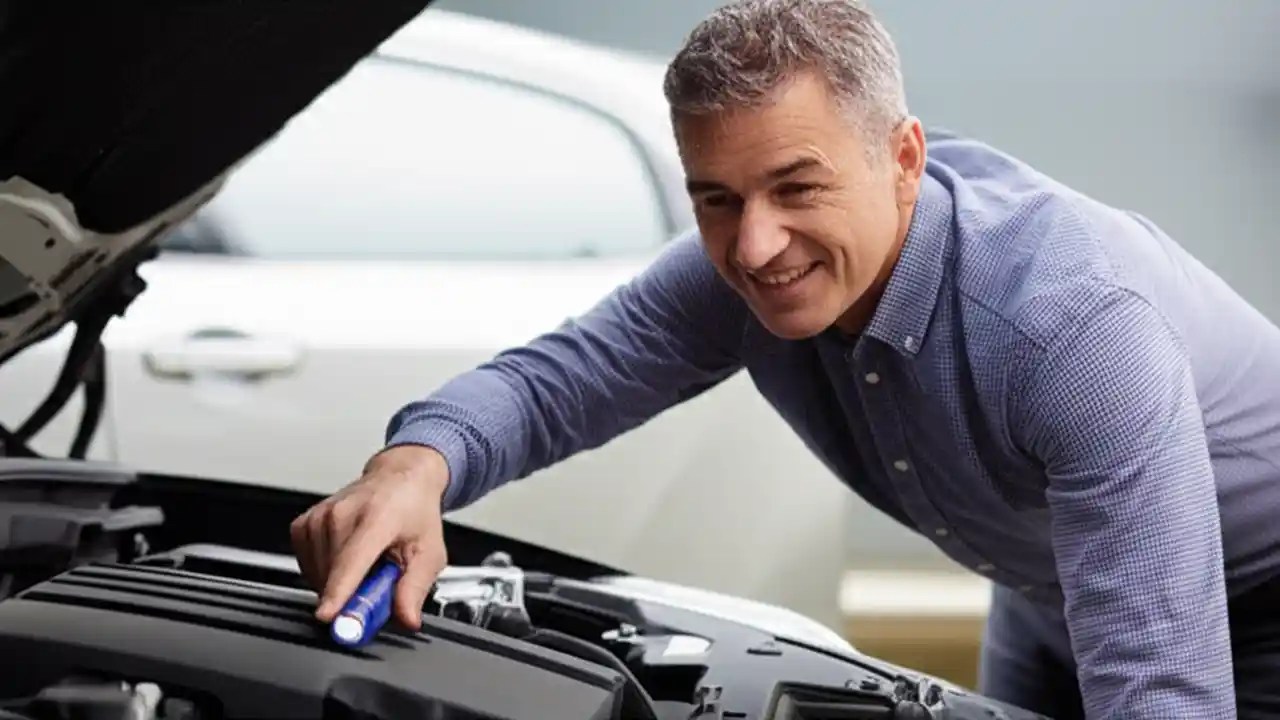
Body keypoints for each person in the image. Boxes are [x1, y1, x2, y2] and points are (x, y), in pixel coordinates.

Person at [289, 0, 1280, 716]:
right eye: (714, 197)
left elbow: (1161, 689)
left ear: (900, 158)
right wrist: (414, 468)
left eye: (795, 187)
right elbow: (555, 384)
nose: (754, 246)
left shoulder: (1068, 327)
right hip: (1050, 592)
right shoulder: (745, 275)